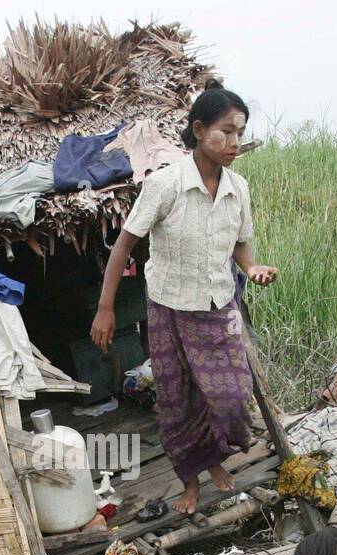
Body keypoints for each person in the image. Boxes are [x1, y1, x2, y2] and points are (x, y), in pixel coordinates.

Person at [90, 80, 278, 515]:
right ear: (198, 130)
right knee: (178, 400)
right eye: (225, 131)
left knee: (232, 399)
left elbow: (239, 243)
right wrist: (105, 308)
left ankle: (214, 457)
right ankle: (192, 480)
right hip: (170, 308)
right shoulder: (166, 185)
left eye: (240, 132)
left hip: (218, 307)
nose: (234, 142)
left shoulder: (239, 188)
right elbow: (123, 246)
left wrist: (252, 268)